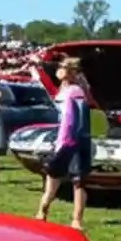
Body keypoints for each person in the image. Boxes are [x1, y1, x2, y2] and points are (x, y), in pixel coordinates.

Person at [35, 57, 90, 229]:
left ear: (71, 72)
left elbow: (75, 120)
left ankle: (75, 220)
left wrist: (72, 141)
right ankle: (42, 211)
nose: (58, 69)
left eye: (62, 67)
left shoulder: (75, 91)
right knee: (56, 179)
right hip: (64, 141)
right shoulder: (63, 90)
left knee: (78, 181)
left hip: (73, 142)